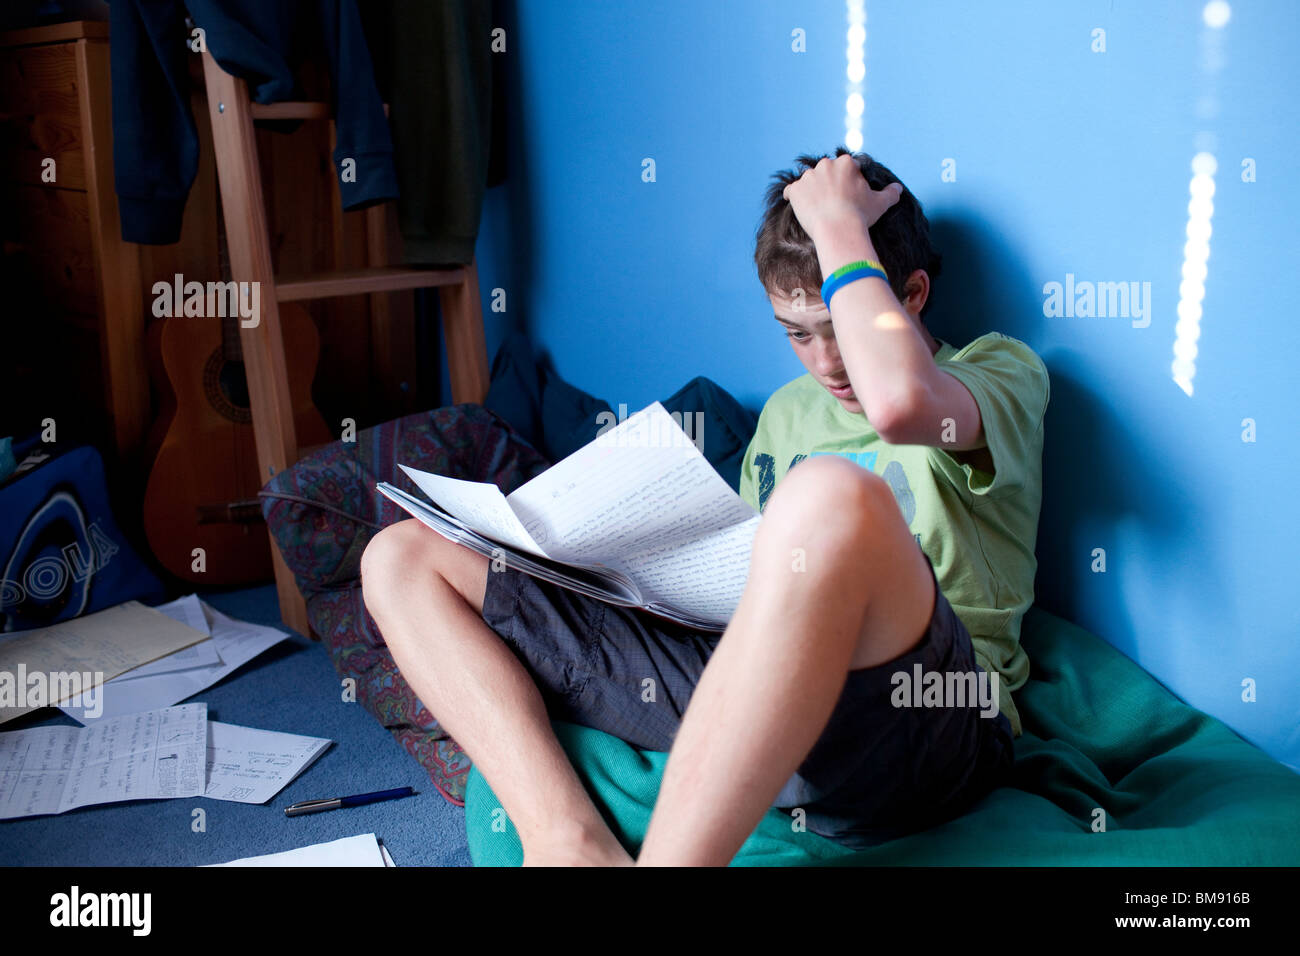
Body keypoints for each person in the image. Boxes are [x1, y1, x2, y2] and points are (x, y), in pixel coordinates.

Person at [360, 148, 1050, 866]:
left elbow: (900, 404)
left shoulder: (999, 374)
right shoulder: (785, 416)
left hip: (925, 716)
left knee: (830, 497)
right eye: (796, 333)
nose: (824, 363)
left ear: (910, 294)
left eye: (838, 327)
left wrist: (839, 223)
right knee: (402, 557)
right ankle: (565, 841)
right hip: (768, 702)